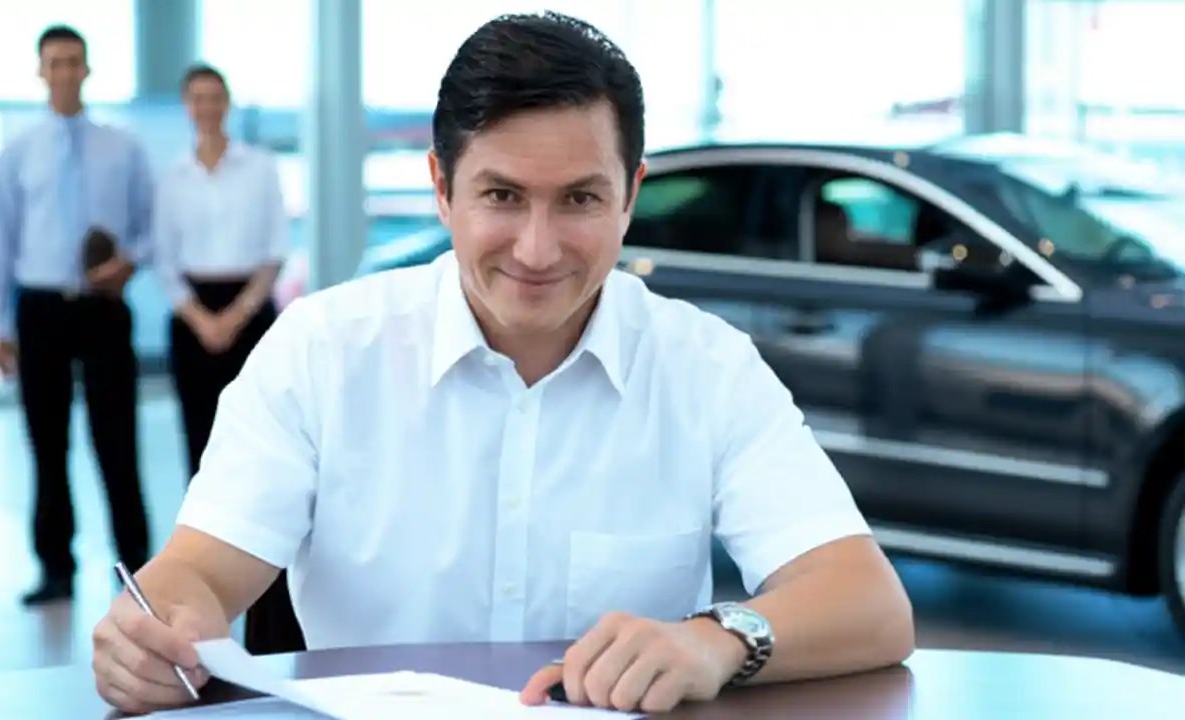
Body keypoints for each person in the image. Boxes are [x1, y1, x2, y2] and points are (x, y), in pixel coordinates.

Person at [91, 12, 914, 716]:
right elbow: (199, 575)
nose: (537, 249)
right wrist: (156, 632)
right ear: (441, 187)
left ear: (631, 196)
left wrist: (718, 639)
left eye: (580, 199)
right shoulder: (322, 352)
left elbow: (870, 603)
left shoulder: (706, 367)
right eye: (502, 196)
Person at [0, 25, 153, 605]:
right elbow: (0, 240)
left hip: (104, 308)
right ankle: (55, 569)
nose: (64, 72)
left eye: (73, 61)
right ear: (40, 70)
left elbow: (149, 227)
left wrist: (129, 262)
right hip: (40, 309)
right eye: (54, 62)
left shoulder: (123, 148)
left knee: (118, 442)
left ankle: (135, 571)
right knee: (47, 445)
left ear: (87, 69)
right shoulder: (18, 152)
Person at [151, 63, 298, 654]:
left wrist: (236, 316)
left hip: (249, 309)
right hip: (193, 315)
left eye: (215, 97)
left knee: (265, 444)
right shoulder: (173, 177)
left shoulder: (259, 168)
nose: (206, 107)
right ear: (187, 106)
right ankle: (204, 579)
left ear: (227, 102)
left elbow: (275, 249)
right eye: (196, 98)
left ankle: (264, 582)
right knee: (200, 442)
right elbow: (164, 260)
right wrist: (201, 318)